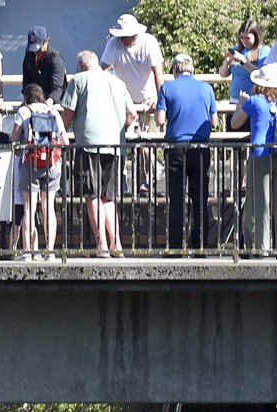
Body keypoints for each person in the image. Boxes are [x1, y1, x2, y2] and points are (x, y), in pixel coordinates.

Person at [61, 50, 136, 257]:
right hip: (114, 145)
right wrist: (119, 128)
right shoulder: (117, 82)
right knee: (108, 197)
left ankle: (101, 243)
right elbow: (132, 113)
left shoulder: (79, 80)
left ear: (80, 66)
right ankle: (116, 243)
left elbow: (67, 116)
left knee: (91, 194)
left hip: (88, 144)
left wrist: (62, 135)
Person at [155, 53, 218, 253]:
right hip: (200, 148)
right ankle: (200, 245)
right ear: (192, 69)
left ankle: (175, 246)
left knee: (176, 198)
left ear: (175, 70)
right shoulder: (207, 88)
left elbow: (159, 120)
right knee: (200, 198)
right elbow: (215, 122)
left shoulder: (167, 87)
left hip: (176, 148)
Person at [230, 66, 277, 257]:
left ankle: (260, 246)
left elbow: (235, 123)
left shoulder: (254, 101)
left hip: (259, 154)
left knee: (259, 203)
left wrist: (240, 103)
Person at [100, 14, 164, 190]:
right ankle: (132, 181)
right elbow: (104, 71)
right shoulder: (113, 44)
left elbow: (158, 73)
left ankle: (147, 176)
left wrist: (160, 101)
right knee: (127, 141)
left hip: (148, 99)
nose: (121, 40)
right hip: (123, 100)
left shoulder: (148, 42)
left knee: (147, 142)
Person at [12, 84, 67, 261]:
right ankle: (49, 251)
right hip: (52, 163)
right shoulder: (53, 112)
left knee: (29, 208)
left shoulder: (23, 111)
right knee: (48, 207)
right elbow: (64, 140)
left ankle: (28, 251)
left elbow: (14, 139)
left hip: (31, 162)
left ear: (26, 97)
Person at [219, 20, 265, 128]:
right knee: (233, 136)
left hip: (252, 100)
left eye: (248, 38)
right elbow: (223, 74)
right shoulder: (236, 50)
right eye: (242, 37)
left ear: (256, 36)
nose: (244, 41)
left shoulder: (263, 51)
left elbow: (261, 73)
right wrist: (227, 63)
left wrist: (243, 61)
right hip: (235, 100)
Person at [22, 26, 66, 104]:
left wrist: (48, 102)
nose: (35, 52)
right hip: (34, 100)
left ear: (46, 42)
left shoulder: (55, 59)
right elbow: (26, 79)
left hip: (53, 103)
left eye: (38, 48)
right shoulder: (29, 54)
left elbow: (57, 87)